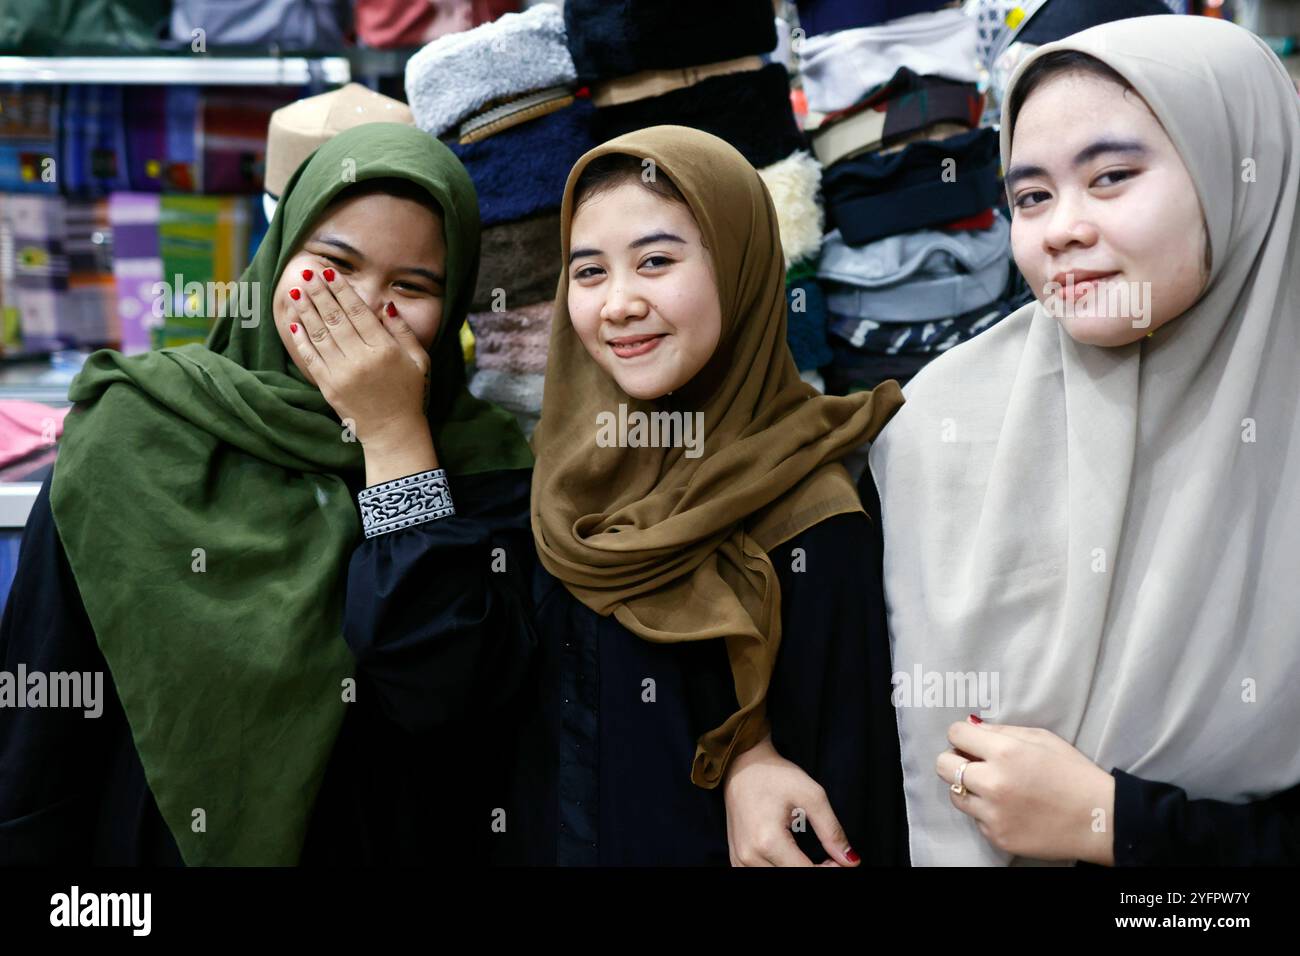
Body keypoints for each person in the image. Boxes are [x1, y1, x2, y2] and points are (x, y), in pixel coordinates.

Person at [0, 123, 533, 865]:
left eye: (412, 286)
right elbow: (39, 734)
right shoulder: (137, 434)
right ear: (278, 257)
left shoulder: (487, 468)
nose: (362, 307)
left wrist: (393, 438)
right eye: (335, 264)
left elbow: (441, 692)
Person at [868, 15, 1300, 866]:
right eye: (1031, 196)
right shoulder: (932, 425)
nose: (1061, 228)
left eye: (1111, 177)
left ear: (1239, 172)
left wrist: (1117, 822)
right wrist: (755, 758)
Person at [516, 126, 905, 865]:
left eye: (656, 261)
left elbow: (845, 802)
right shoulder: (565, 482)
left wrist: (749, 755)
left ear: (738, 266)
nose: (618, 303)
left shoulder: (813, 522)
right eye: (590, 271)